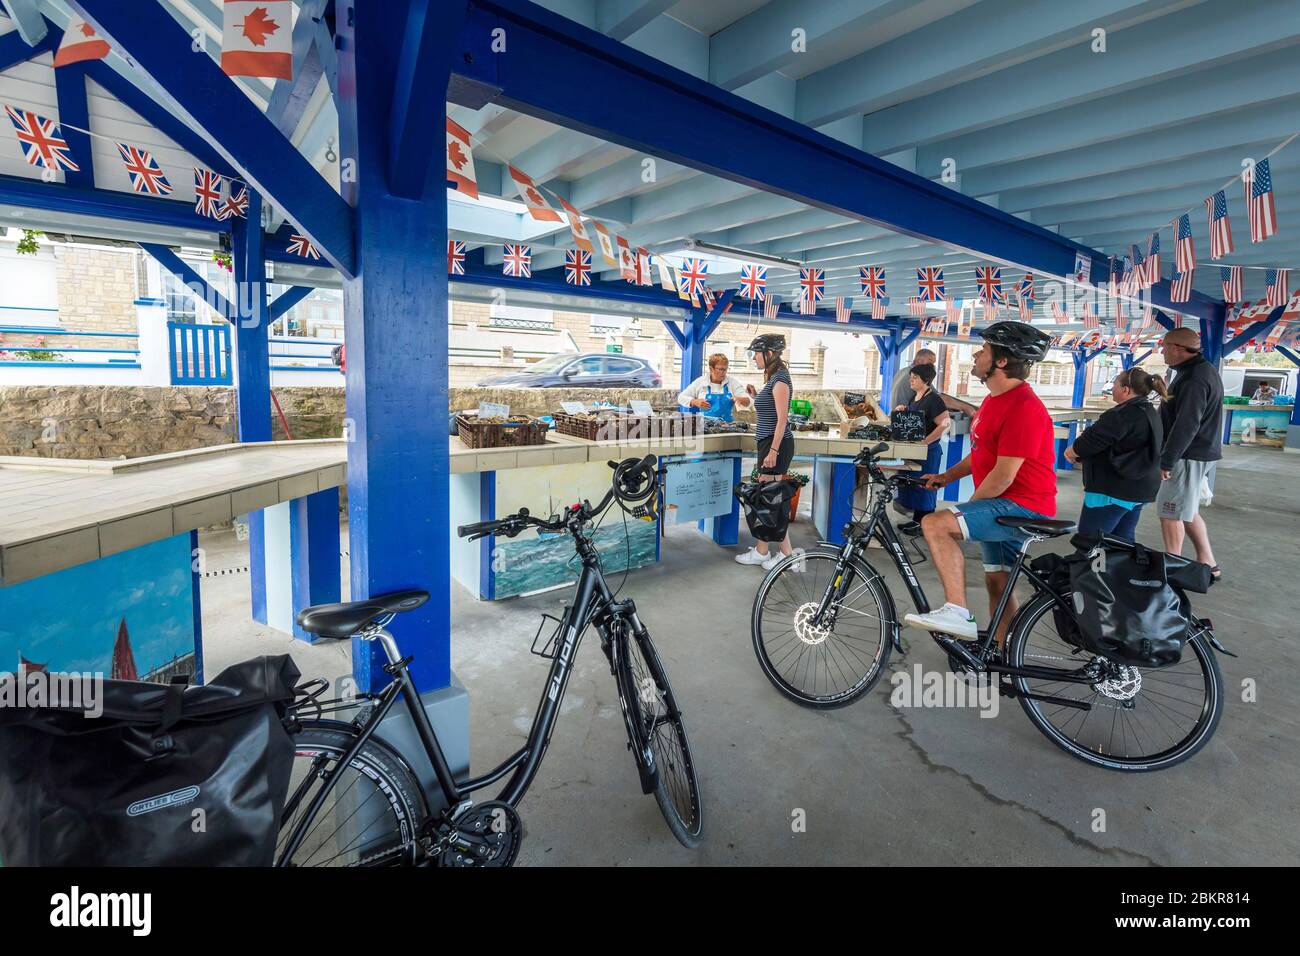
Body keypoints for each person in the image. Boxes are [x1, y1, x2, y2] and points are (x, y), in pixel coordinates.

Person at [902, 321, 1057, 644]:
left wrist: (964, 511)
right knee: (998, 583)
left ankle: (956, 611)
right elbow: (981, 455)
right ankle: (1004, 653)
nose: (976, 354)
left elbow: (1002, 476)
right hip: (1008, 504)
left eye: (984, 350)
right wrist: (945, 477)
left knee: (935, 524)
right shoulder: (993, 400)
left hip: (1023, 506)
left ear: (1001, 361)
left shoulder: (1024, 407)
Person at [1063, 367, 1166, 541]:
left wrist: (1072, 452)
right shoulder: (1149, 412)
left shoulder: (1121, 415)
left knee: (1090, 544)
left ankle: (1094, 569)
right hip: (1139, 487)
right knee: (1121, 544)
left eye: (1116, 384)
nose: (1112, 388)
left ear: (1125, 390)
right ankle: (1117, 569)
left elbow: (1087, 442)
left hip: (1113, 490)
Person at [1156, 327, 1223, 581]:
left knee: (1170, 510)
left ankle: (1172, 568)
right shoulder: (1198, 370)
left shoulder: (1194, 378)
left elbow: (1187, 423)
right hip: (1199, 452)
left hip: (1188, 454)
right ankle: (1208, 562)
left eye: (1164, 346)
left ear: (1176, 348)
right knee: (1187, 509)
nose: (1162, 351)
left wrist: (1168, 459)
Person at [736, 333, 796, 571]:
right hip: (769, 442)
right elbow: (770, 410)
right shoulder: (774, 378)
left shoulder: (780, 379)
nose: (754, 358)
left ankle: (787, 555)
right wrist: (754, 396)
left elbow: (782, 420)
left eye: (756, 354)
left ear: (769, 354)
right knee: (768, 498)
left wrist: (773, 450)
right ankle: (762, 551)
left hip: (776, 445)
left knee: (772, 500)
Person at [892, 363, 950, 534]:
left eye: (915, 377)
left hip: (928, 452)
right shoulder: (915, 397)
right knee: (914, 486)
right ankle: (917, 522)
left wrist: (926, 441)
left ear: (926, 380)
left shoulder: (934, 399)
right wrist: (903, 410)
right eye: (911, 376)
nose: (911, 379)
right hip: (915, 451)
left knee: (925, 487)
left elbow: (945, 424)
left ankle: (925, 526)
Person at [889, 347, 976, 417]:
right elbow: (938, 398)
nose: (932, 365)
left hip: (895, 416)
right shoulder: (917, 376)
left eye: (933, 362)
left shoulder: (902, 371)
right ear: (919, 360)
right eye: (930, 361)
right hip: (905, 420)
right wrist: (964, 407)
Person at [677, 352, 753, 422]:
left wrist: (742, 399)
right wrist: (694, 401)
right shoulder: (700, 382)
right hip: (705, 426)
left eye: (725, 369)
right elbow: (681, 397)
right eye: (720, 369)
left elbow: (750, 400)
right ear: (711, 369)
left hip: (727, 426)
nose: (723, 372)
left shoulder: (732, 382)